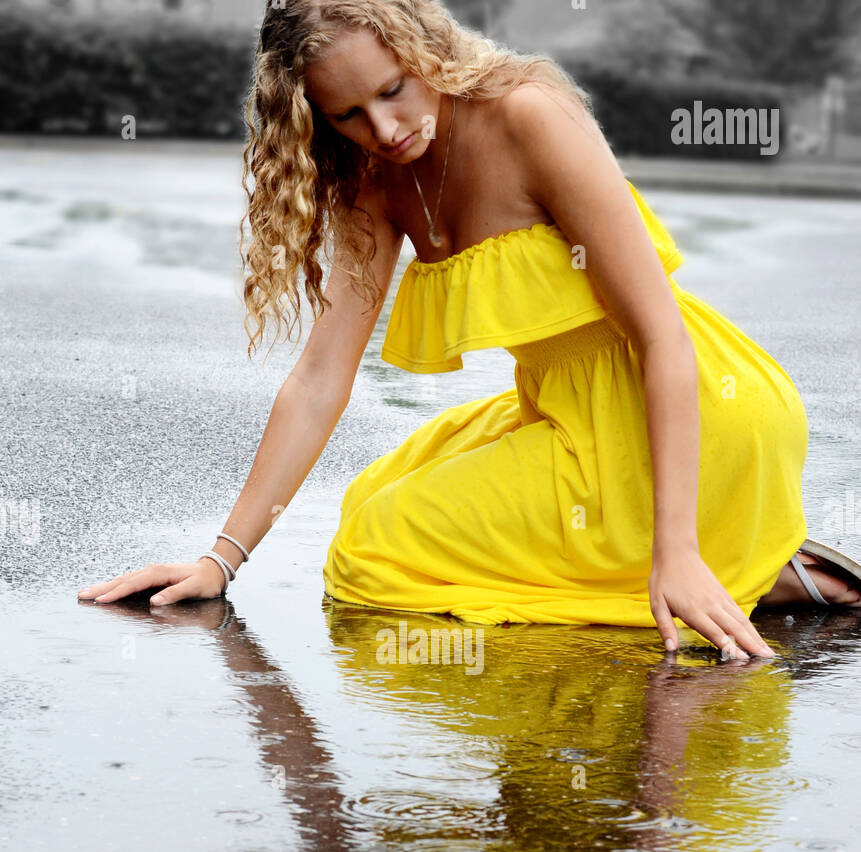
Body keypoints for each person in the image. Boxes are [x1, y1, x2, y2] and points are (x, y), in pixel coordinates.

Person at [77, 0, 861, 657]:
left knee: (374, 553)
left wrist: (677, 549)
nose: (385, 128)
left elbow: (661, 337)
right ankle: (751, 557)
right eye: (348, 114)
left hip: (697, 403)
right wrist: (221, 560)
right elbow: (321, 377)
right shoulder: (372, 182)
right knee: (378, 498)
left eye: (393, 89)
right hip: (564, 412)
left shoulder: (525, 115)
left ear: (424, 47)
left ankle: (747, 567)